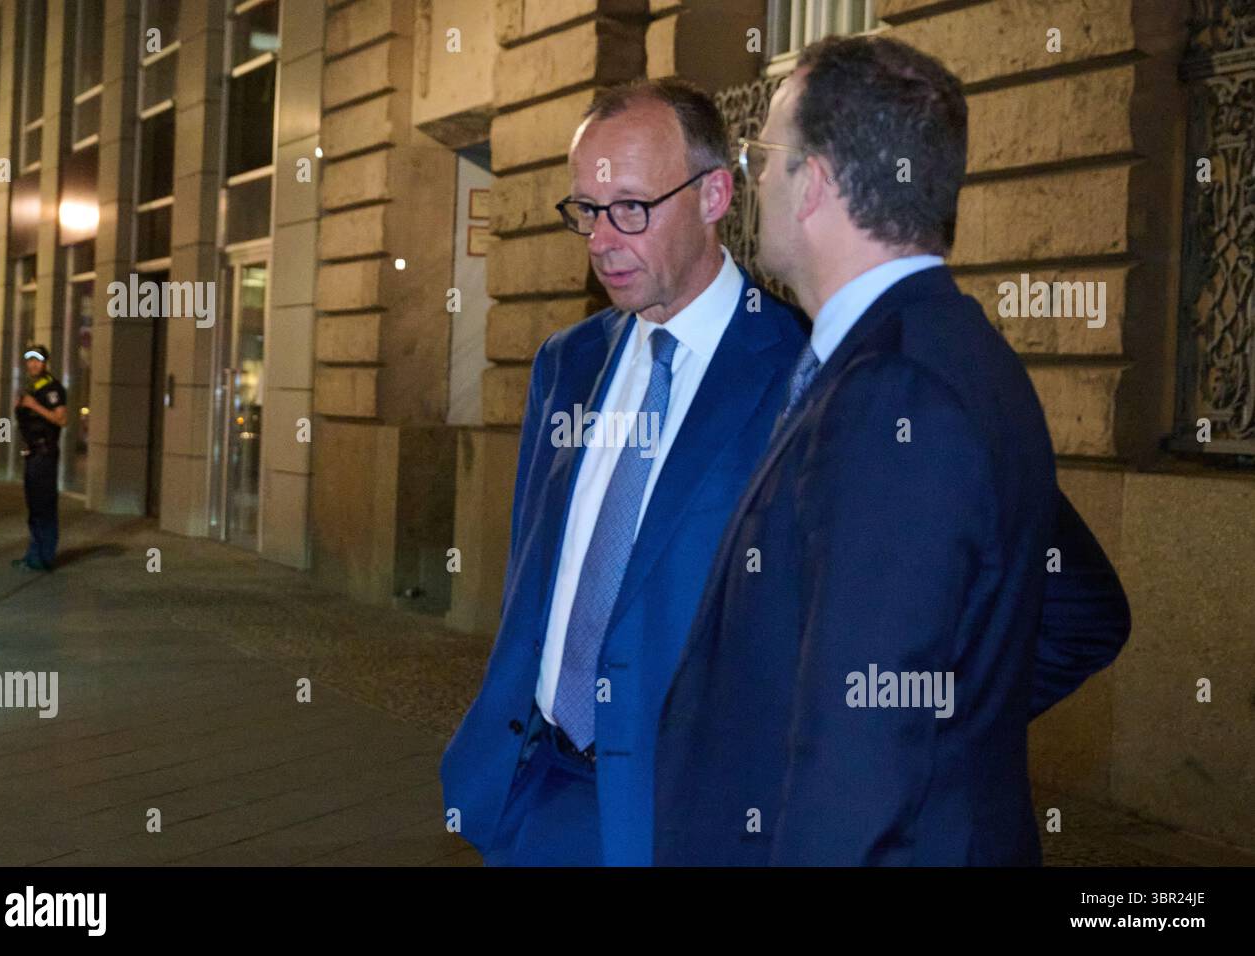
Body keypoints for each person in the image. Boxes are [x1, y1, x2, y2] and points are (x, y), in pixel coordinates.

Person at [653, 36, 1128, 866]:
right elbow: (1075, 612)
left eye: (766, 156)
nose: (756, 180)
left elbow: (855, 771)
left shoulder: (894, 394)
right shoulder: (955, 354)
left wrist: (917, 760)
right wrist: (951, 741)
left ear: (818, 185)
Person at [441, 79, 808, 866]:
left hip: (689, 824)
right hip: (536, 792)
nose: (602, 240)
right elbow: (532, 573)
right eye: (586, 210)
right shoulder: (566, 365)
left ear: (715, 194)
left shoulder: (802, 376)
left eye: (632, 209)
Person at [12, 345, 67, 572]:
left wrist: (34, 406)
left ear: (45, 363)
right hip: (32, 454)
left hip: (44, 454)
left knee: (44, 505)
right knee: (34, 507)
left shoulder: (52, 388)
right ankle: (33, 554)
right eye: (30, 360)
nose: (33, 364)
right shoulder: (31, 388)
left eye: (37, 360)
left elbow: (61, 419)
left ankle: (44, 557)